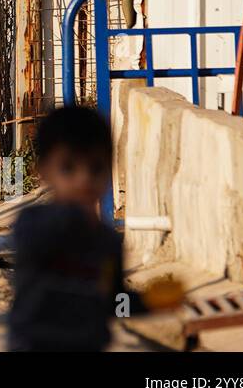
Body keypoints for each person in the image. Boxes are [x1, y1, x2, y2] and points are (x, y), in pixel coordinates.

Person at [9, 106, 152, 351]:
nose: (84, 178)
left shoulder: (108, 241)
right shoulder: (32, 222)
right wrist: (75, 218)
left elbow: (114, 303)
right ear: (43, 171)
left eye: (96, 168)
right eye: (68, 168)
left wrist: (150, 303)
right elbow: (33, 256)